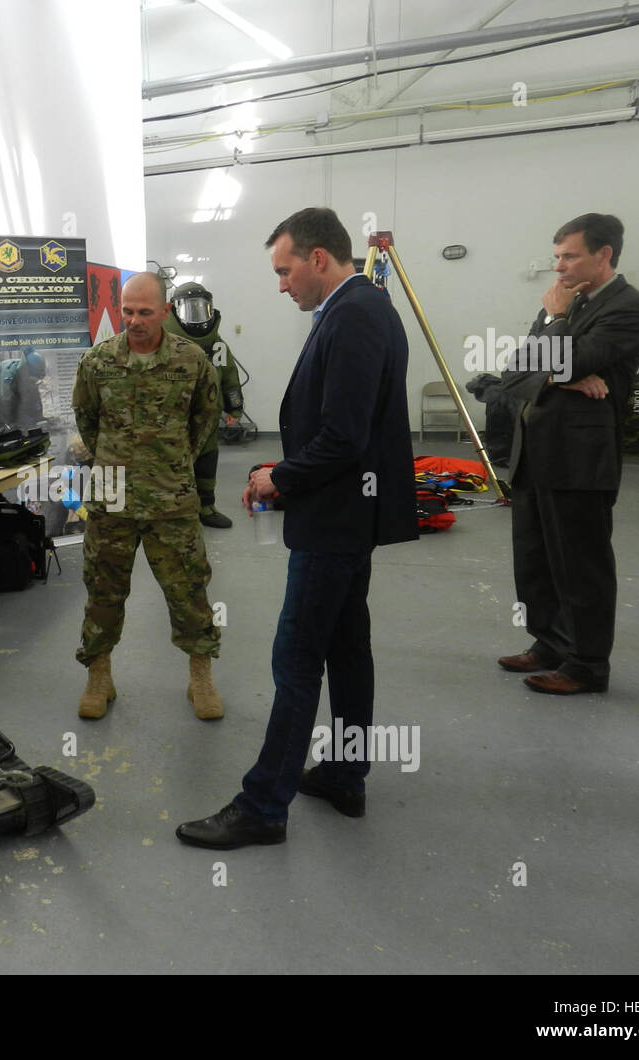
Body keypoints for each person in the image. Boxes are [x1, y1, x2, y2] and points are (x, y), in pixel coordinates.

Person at [176, 207, 416, 850]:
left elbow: (345, 435)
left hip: (334, 523)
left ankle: (263, 805)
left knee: (296, 659)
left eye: (285, 270)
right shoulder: (351, 308)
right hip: (344, 514)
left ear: (317, 258)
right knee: (346, 650)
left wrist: (278, 478)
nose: (281, 284)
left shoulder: (357, 312)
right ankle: (345, 772)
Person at [497, 213, 639, 696]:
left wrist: (559, 326)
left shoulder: (628, 306)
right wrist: (556, 367)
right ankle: (550, 642)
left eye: (570, 256)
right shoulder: (562, 305)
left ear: (604, 255)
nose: (559, 267)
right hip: (534, 454)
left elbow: (569, 359)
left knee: (580, 563)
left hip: (580, 458)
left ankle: (587, 663)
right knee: (536, 557)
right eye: (557, 257)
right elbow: (515, 371)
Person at [72, 272, 224, 720]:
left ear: (165, 312)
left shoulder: (192, 361)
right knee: (103, 587)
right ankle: (99, 675)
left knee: (189, 589)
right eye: (127, 311)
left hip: (170, 496)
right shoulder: (97, 361)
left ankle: (200, 677)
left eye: (144, 312)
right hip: (112, 494)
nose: (134, 321)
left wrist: (173, 461)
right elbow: (87, 420)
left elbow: (205, 418)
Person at [162, 282, 245, 528]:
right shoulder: (164, 343)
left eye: (201, 308)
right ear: (174, 310)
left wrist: (234, 409)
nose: (197, 315)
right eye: (190, 308)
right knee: (173, 466)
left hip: (208, 420)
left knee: (207, 465)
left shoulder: (217, 345)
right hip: (173, 421)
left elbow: (230, 378)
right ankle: (175, 512)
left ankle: (206, 507)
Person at [0, 348, 46, 429]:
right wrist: (18, 419)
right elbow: (5, 403)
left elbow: (35, 398)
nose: (34, 382)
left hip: (12, 394)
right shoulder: (8, 374)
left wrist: (39, 417)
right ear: (26, 372)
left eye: (36, 380)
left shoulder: (30, 376)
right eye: (33, 379)